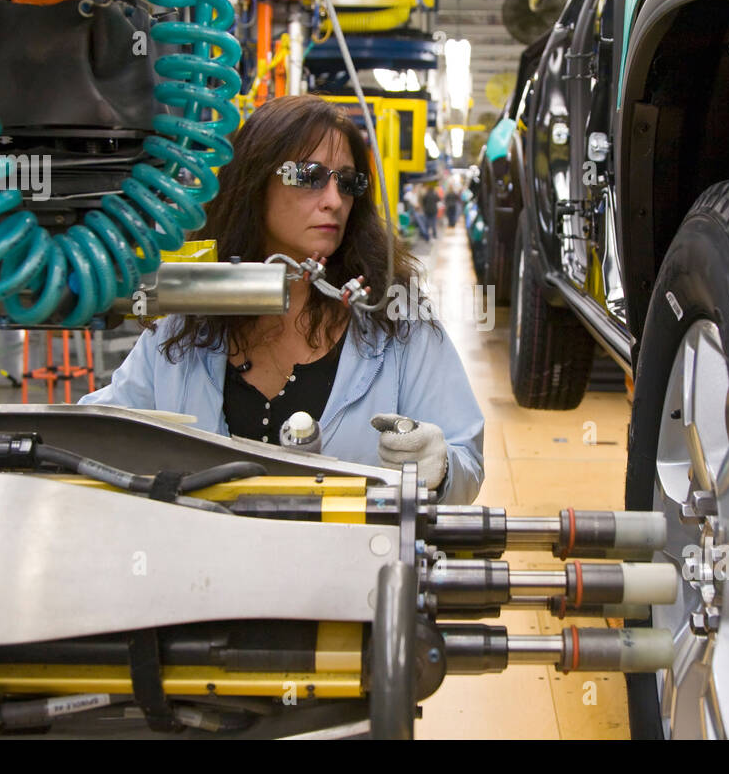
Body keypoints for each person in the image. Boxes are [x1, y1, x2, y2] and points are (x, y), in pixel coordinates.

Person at [79, 94, 485, 503]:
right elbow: (98, 437)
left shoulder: (396, 322)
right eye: (310, 176)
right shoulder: (188, 322)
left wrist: (442, 468)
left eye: (347, 182)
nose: (333, 200)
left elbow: (465, 461)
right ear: (255, 182)